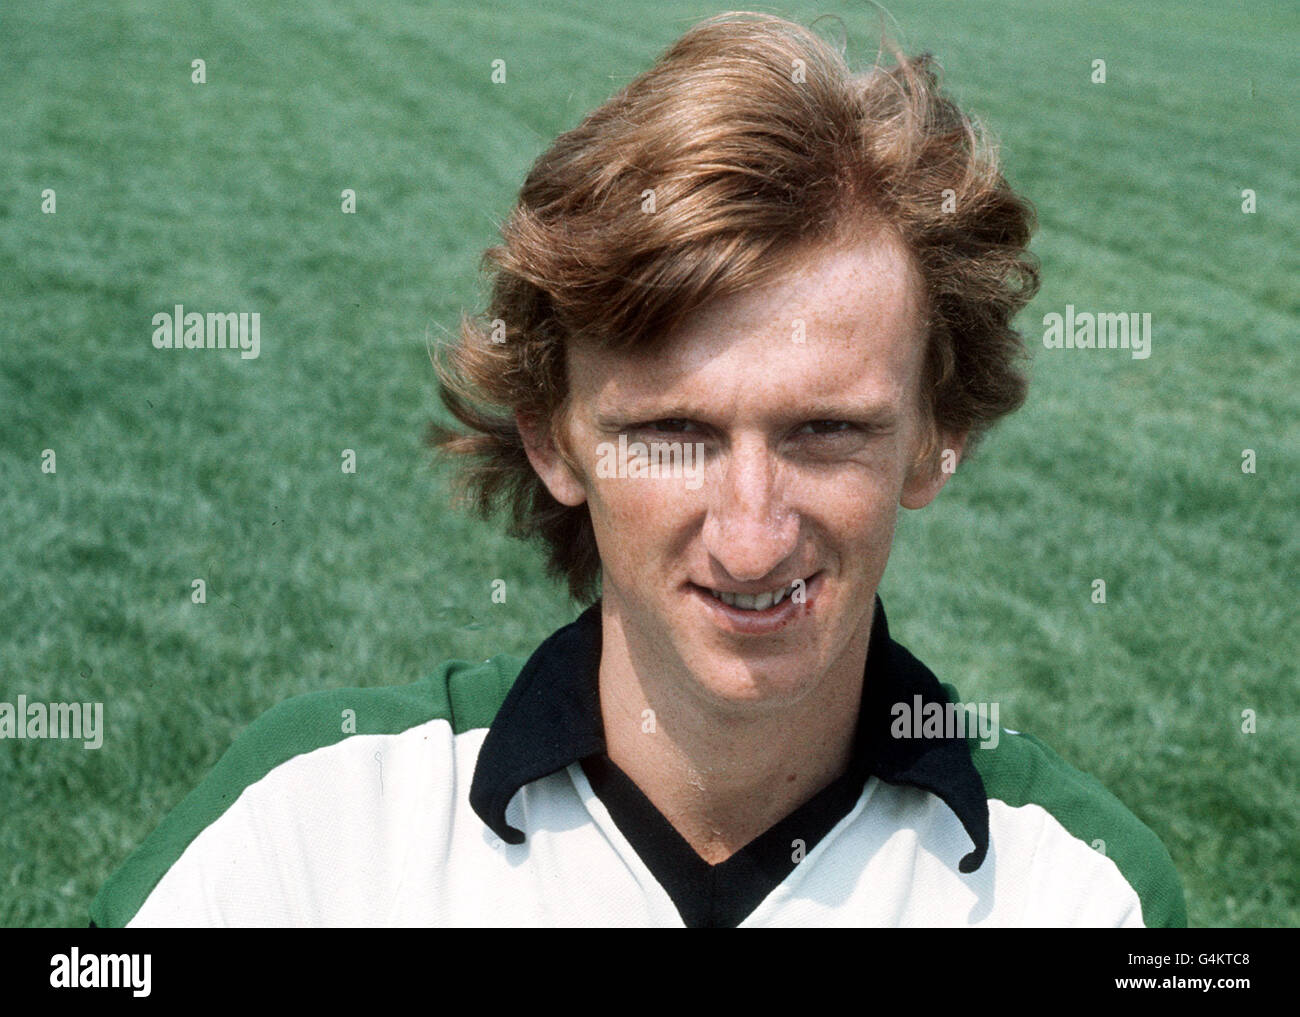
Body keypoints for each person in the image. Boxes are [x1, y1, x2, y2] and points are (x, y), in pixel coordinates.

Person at [91, 11, 1185, 927]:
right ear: (551, 439)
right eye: (675, 435)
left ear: (936, 440)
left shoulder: (1073, 892)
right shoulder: (315, 825)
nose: (751, 536)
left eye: (824, 433)